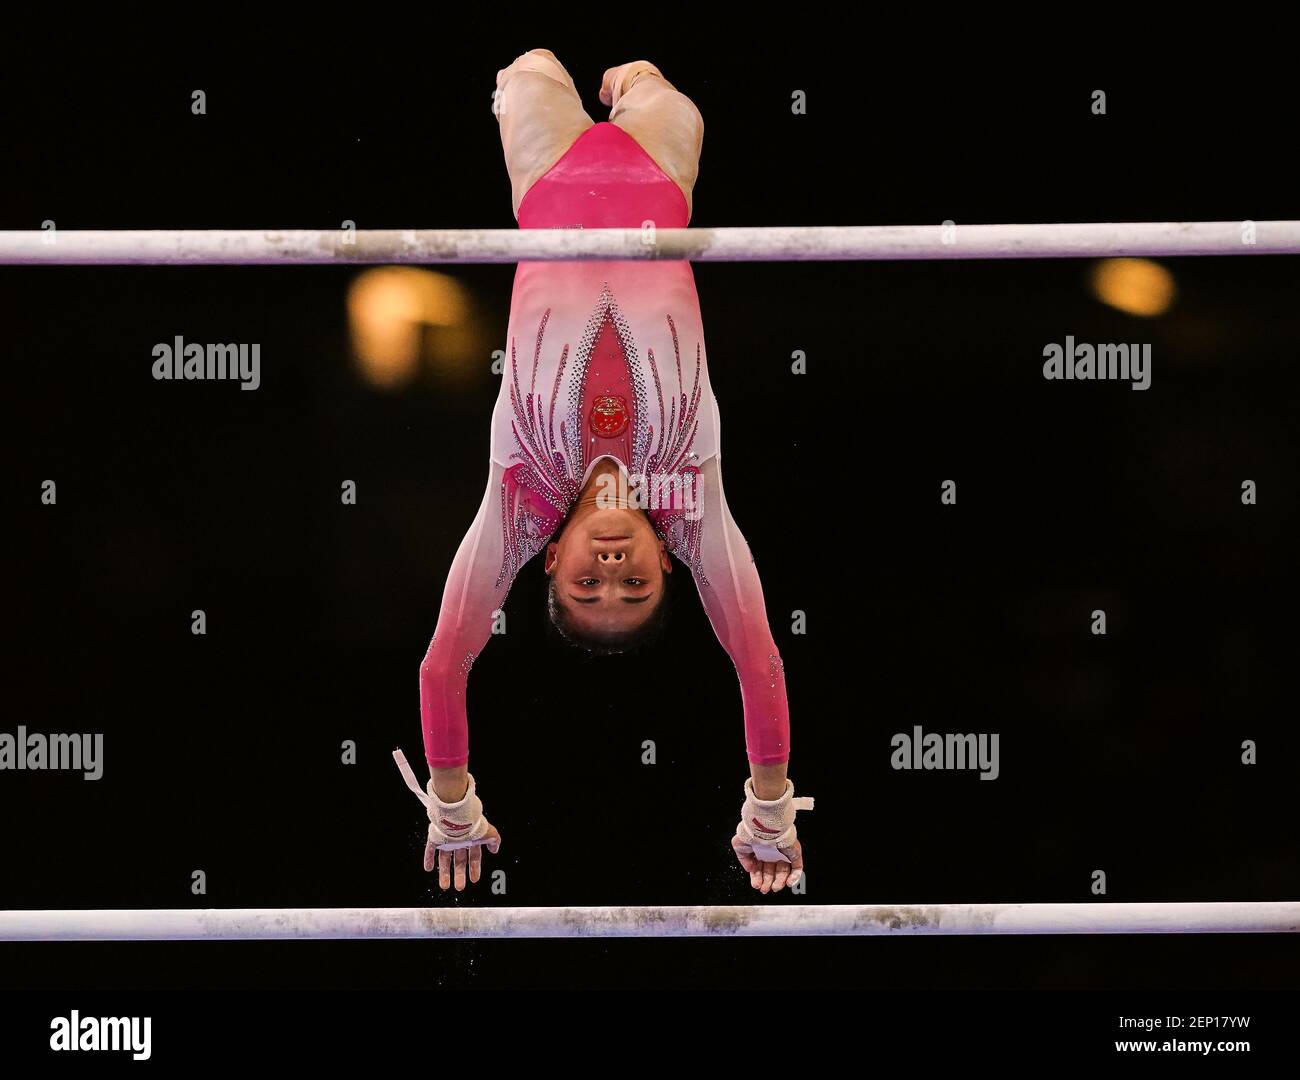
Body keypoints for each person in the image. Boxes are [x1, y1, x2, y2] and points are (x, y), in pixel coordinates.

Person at [401, 49, 812, 895]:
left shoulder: (521, 495)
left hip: (547, 179)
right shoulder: (688, 495)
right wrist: (767, 809)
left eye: (589, 589)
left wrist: (453, 803)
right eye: (635, 589)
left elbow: (445, 662)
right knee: (645, 84)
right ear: (671, 563)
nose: (613, 574)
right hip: (660, 177)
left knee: (531, 69)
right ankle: (634, 85)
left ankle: (557, 76)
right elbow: (756, 656)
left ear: (549, 560)